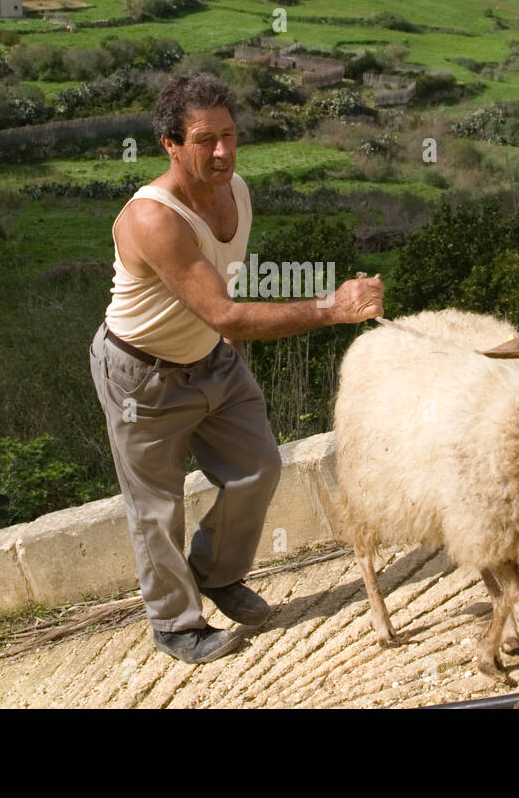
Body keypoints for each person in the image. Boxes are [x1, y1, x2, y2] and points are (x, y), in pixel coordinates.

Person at [88, 72, 384, 664]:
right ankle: (175, 624)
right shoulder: (154, 219)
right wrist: (333, 307)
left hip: (214, 356)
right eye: (204, 139)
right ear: (170, 145)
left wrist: (232, 355)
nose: (222, 151)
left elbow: (226, 292)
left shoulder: (237, 192)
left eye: (229, 135)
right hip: (141, 377)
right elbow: (226, 308)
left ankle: (217, 572)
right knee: (157, 506)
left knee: (258, 468)